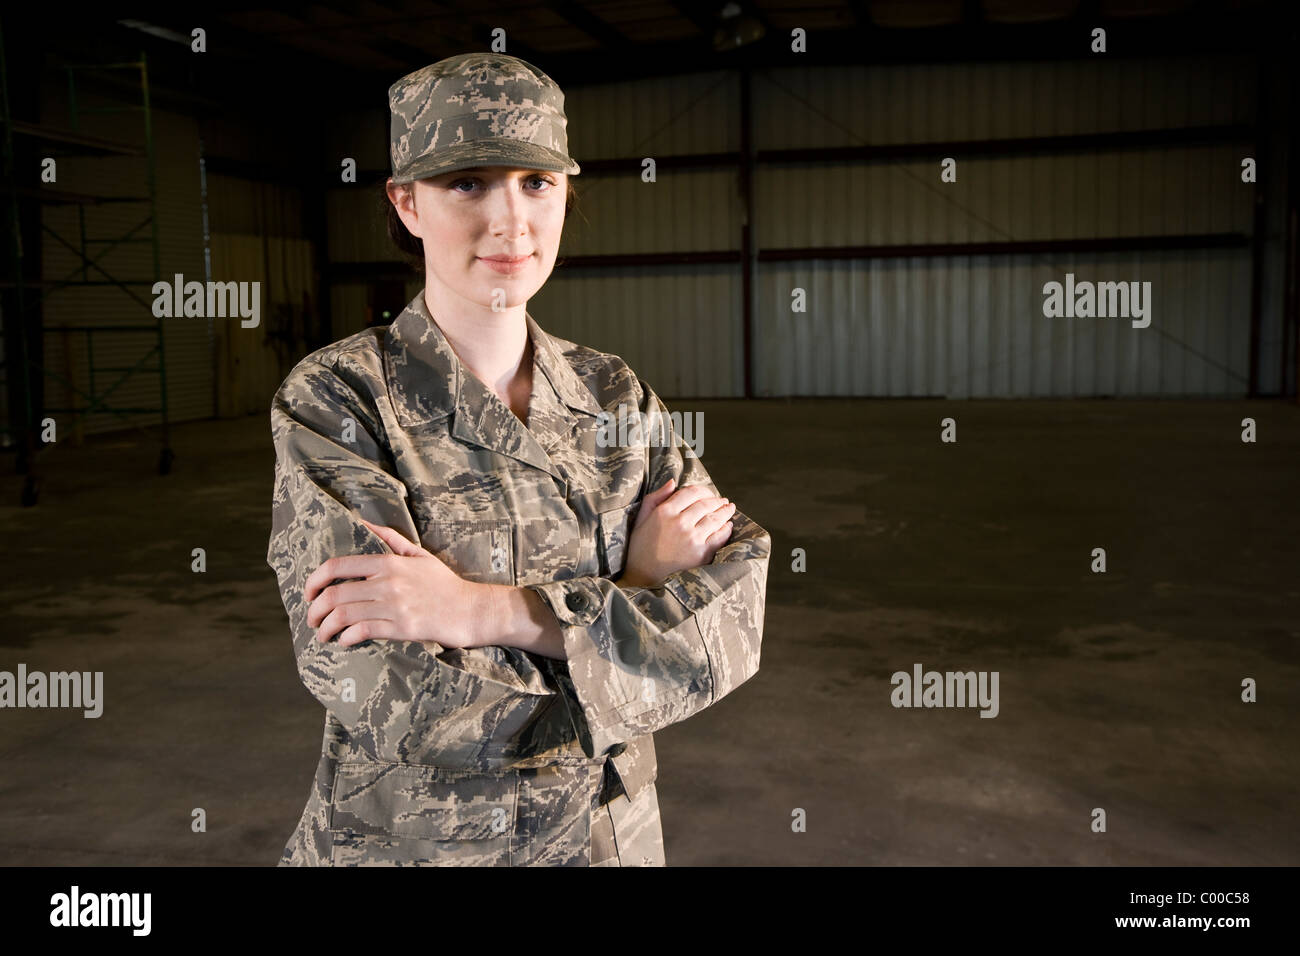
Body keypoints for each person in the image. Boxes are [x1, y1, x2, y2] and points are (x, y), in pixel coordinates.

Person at [266, 52, 771, 866]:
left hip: (610, 843)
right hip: (418, 846)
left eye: (538, 182)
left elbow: (730, 626)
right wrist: (634, 605)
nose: (512, 221)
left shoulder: (614, 396)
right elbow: (390, 693)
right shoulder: (339, 399)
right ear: (407, 202)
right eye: (467, 182)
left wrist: (479, 612)